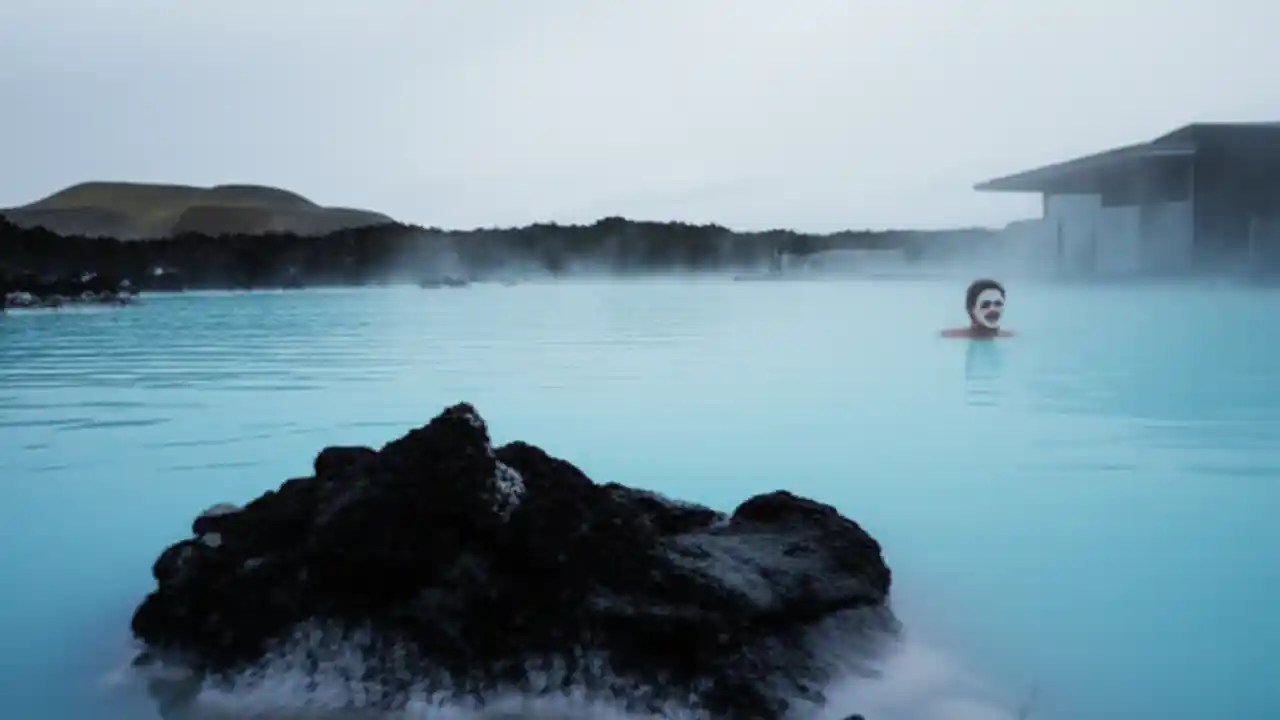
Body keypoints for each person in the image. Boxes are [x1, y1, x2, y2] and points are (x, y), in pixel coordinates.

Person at [942, 279, 1013, 339]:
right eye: (985, 305)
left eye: (998, 304)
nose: (993, 309)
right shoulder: (950, 336)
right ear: (971, 310)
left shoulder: (1009, 337)